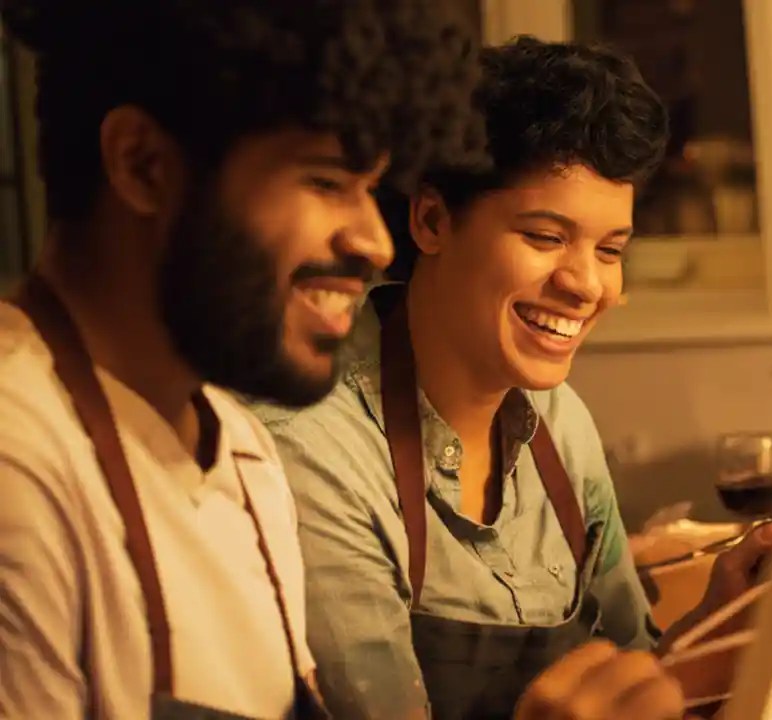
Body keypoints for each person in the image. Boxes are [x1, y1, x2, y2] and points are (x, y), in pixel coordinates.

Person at [0, 4, 681, 719]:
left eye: (368, 188)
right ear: (143, 165)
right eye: (326, 182)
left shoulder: (239, 456)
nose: (374, 243)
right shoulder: (21, 466)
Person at [257, 36, 772, 720]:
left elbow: (630, 672)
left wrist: (717, 623)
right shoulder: (314, 449)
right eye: (544, 237)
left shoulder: (560, 423)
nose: (585, 284)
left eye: (610, 249)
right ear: (432, 219)